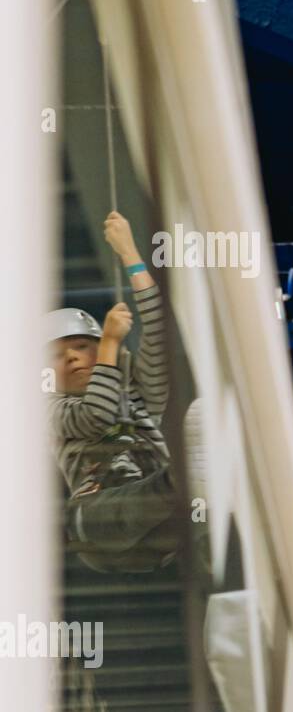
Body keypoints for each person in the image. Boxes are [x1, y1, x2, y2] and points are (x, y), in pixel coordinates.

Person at [47, 211, 177, 573]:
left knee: (186, 489)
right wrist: (108, 344)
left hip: (161, 529)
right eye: (56, 355)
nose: (72, 357)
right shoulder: (49, 409)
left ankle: (184, 489)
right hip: (99, 529)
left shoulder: (138, 393)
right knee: (163, 489)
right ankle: (179, 483)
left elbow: (159, 331)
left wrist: (130, 254)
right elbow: (96, 416)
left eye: (81, 346)